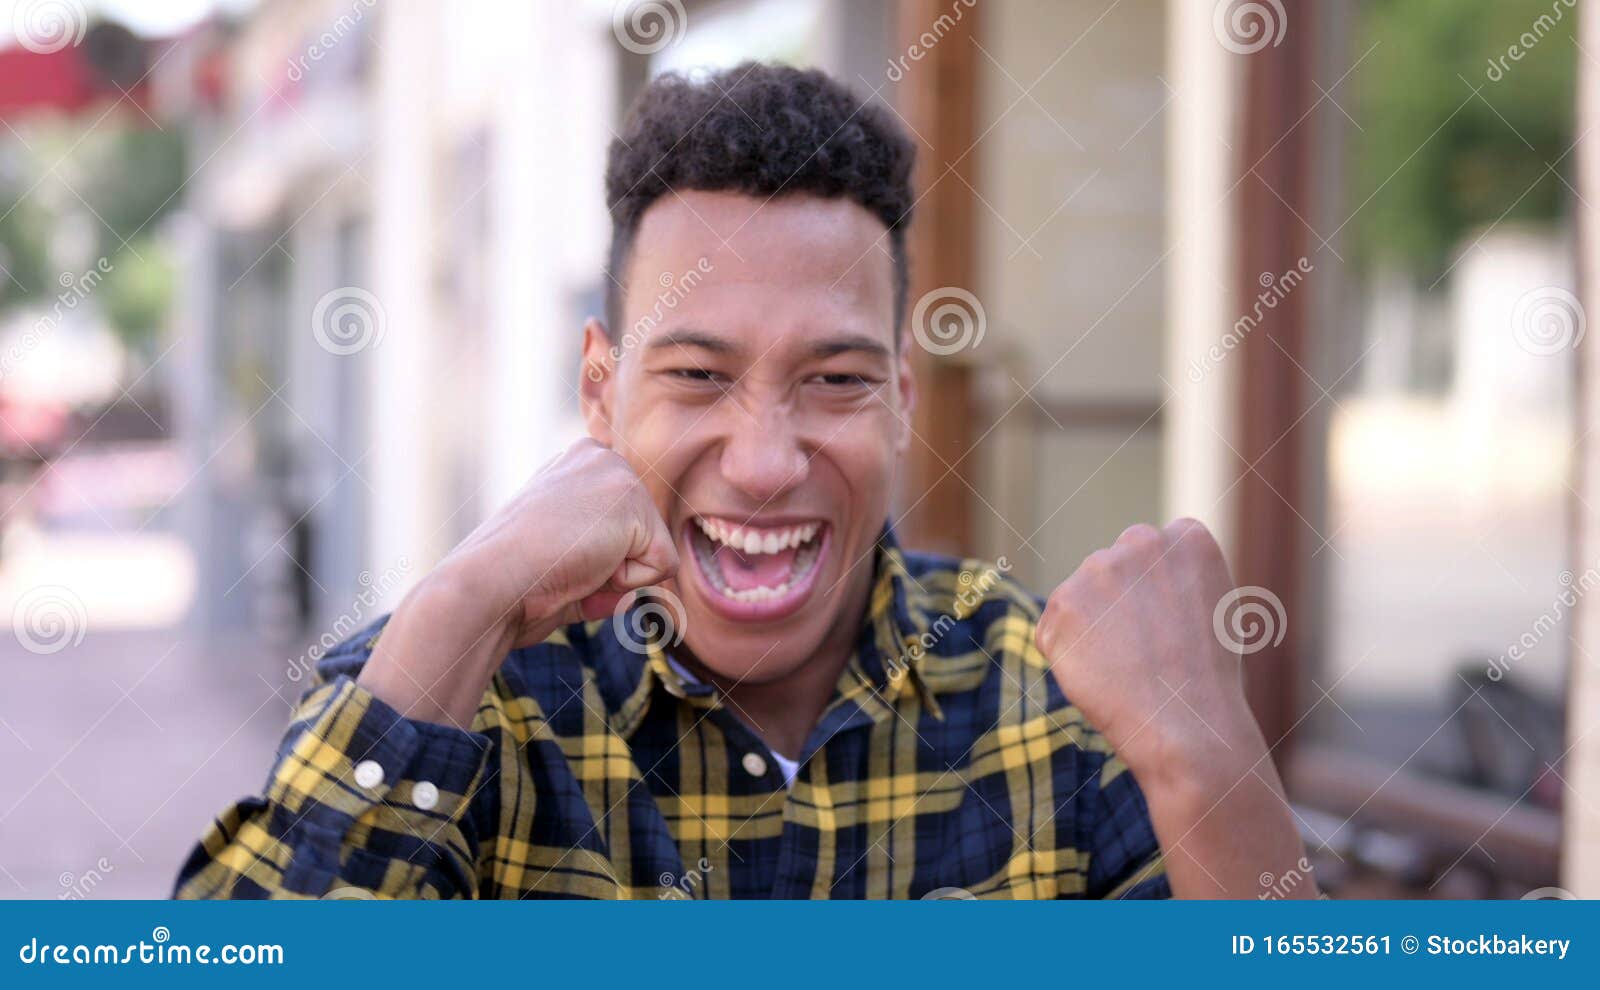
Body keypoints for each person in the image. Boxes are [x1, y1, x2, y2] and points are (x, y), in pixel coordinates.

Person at [175, 62, 1311, 900]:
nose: (766, 463)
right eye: (698, 376)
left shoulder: (1054, 707)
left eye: (834, 380)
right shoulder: (459, 701)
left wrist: (1204, 760)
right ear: (599, 391)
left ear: (904, 399)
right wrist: (457, 603)